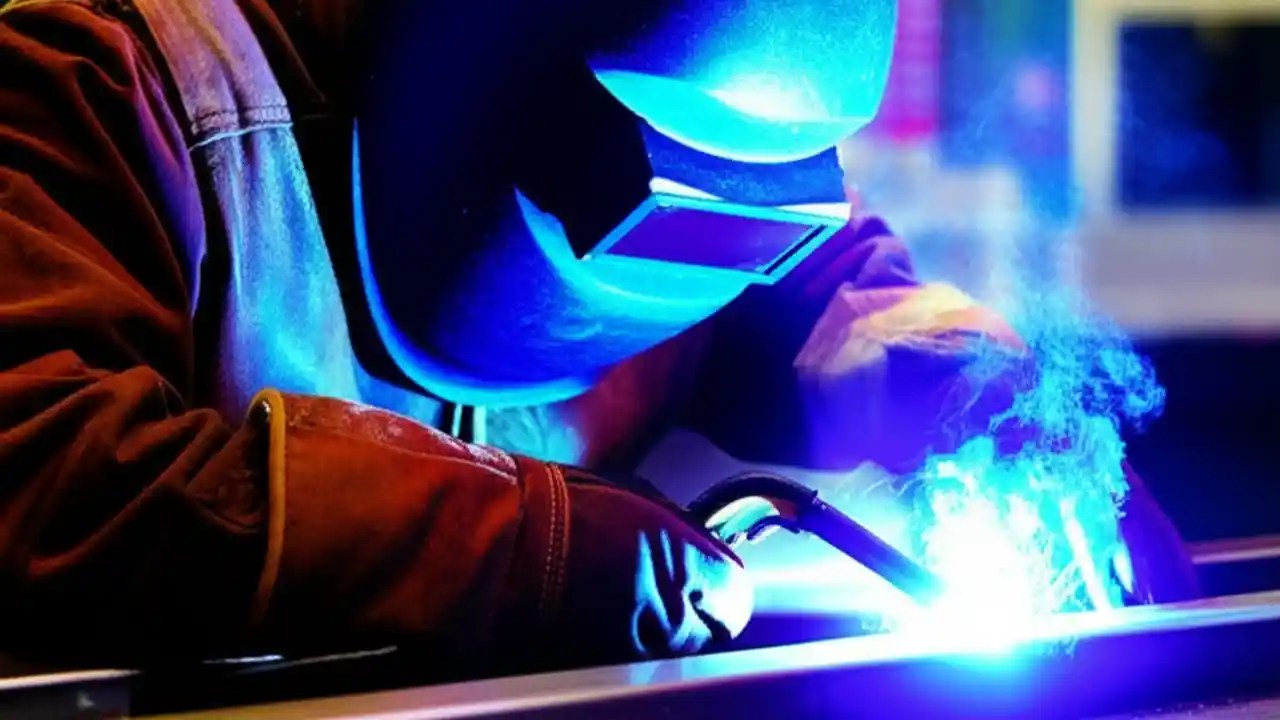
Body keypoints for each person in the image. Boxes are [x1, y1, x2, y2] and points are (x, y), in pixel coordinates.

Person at [0, 0, 1195, 673]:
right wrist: (532, 546)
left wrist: (919, 371)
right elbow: (43, 483)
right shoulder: (111, 84)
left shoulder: (725, 151)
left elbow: (783, 255)